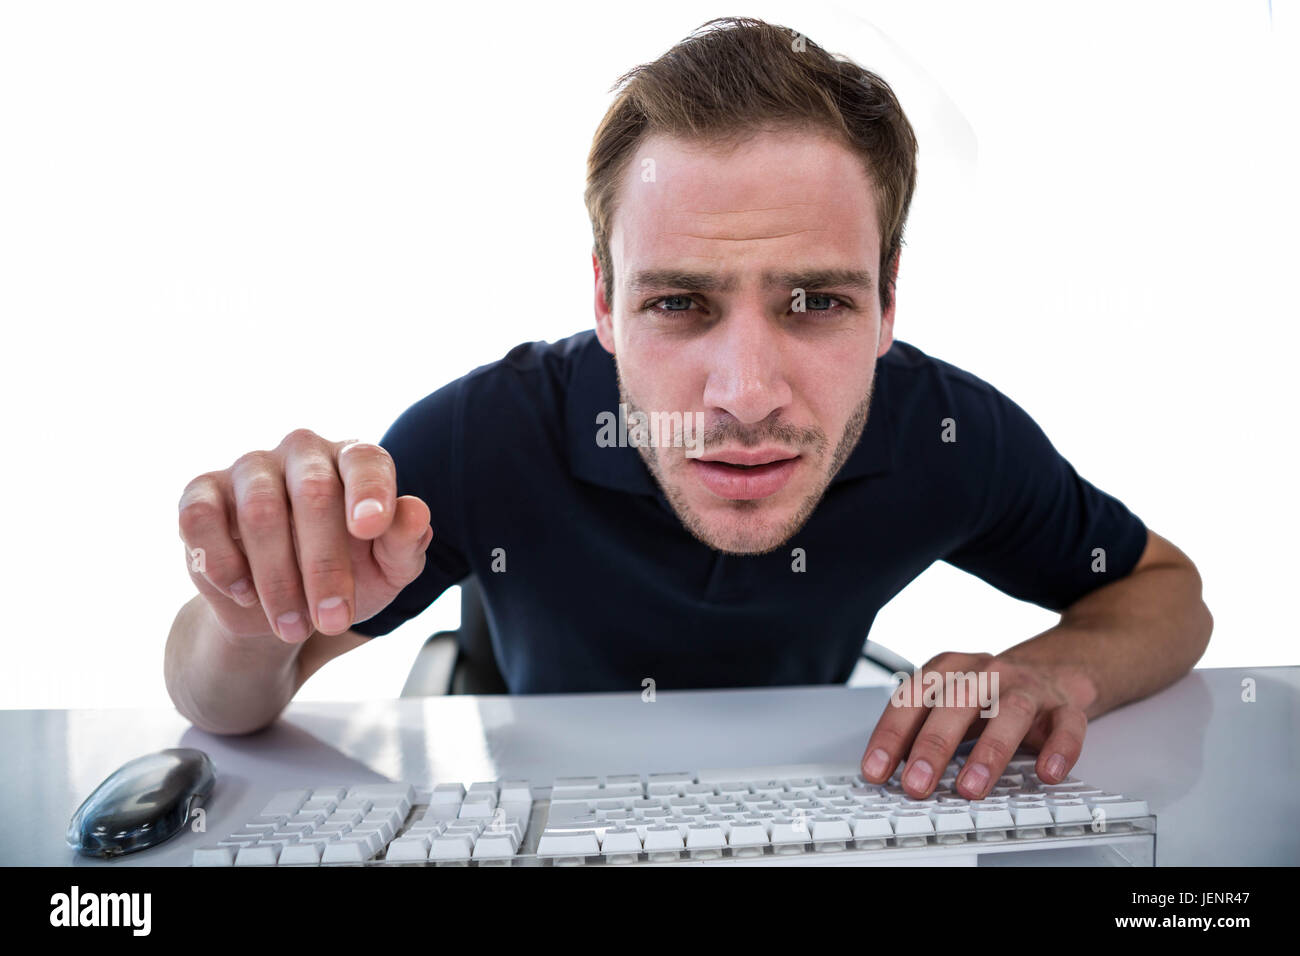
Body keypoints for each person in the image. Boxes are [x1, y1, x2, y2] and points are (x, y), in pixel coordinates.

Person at [165, 17, 1211, 802]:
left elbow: (1168, 592)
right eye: (677, 302)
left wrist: (1050, 668)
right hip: (540, 809)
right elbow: (225, 698)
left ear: (888, 302)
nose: (746, 394)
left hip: (819, 805)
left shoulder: (947, 435)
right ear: (603, 302)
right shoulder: (488, 433)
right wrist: (252, 610)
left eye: (817, 302)